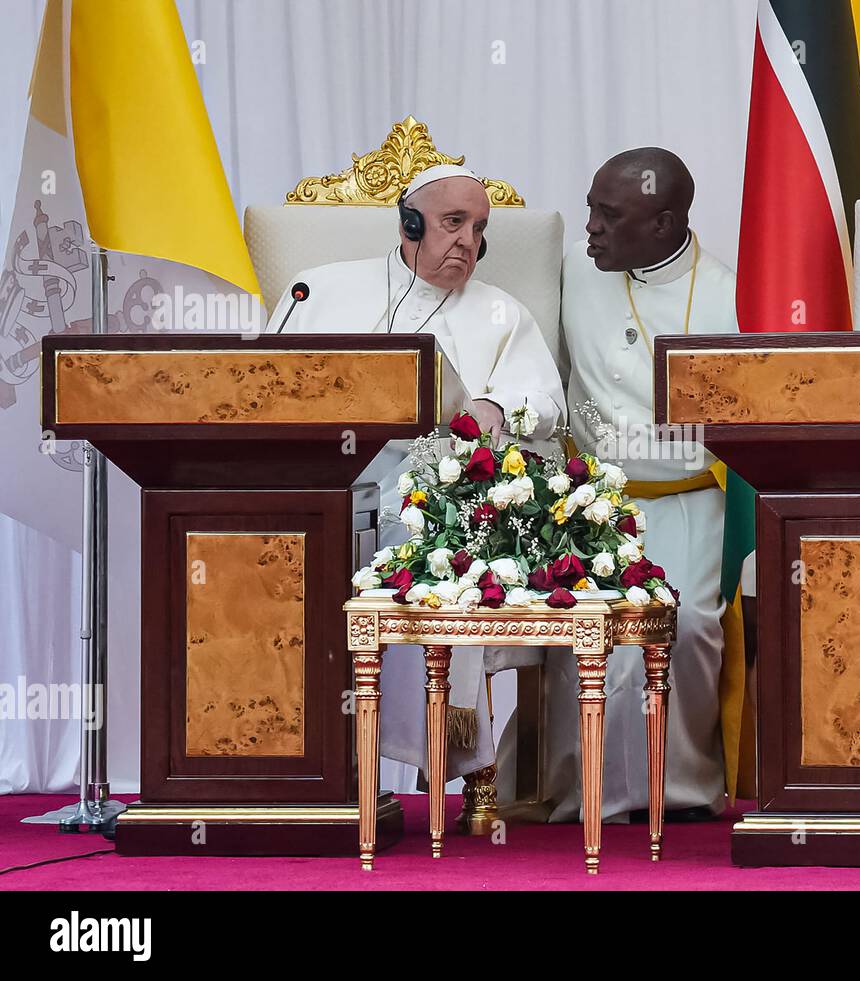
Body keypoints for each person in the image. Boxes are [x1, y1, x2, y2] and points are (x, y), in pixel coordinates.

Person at [268, 163, 566, 787]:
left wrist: (492, 407)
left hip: (435, 493)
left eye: (479, 229)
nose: (468, 242)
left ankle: (438, 748)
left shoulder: (501, 314)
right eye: (453, 223)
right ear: (409, 223)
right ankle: (299, 757)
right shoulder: (318, 292)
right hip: (330, 486)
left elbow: (547, 406)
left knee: (430, 541)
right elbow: (270, 383)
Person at [499, 147, 738, 822]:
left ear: (664, 224)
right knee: (593, 631)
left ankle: (683, 788)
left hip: (687, 495)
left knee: (685, 626)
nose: (592, 229)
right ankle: (584, 794)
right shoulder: (573, 269)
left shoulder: (727, 295)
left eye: (609, 215)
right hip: (591, 499)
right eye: (590, 211)